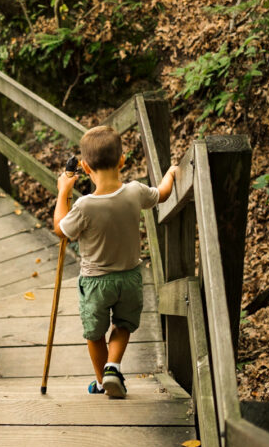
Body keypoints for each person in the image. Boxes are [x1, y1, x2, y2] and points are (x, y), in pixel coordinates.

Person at [53, 124, 177, 398]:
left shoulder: (84, 206)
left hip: (95, 283)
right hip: (130, 278)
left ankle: (102, 382)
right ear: (122, 160)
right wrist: (170, 173)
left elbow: (61, 229)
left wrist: (63, 191)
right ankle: (113, 366)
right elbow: (163, 193)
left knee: (94, 334)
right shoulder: (135, 191)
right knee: (122, 326)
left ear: (85, 167)